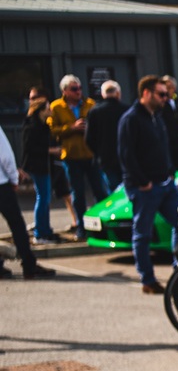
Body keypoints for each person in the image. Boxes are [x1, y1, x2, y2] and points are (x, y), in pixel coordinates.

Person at [118, 75, 178, 294]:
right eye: (161, 94)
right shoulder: (131, 119)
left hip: (166, 183)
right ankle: (147, 279)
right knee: (143, 234)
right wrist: (142, 182)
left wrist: (170, 174)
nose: (166, 98)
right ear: (146, 93)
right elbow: (126, 155)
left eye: (167, 94)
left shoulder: (158, 116)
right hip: (145, 188)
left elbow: (164, 148)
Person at [0, 115, 52, 278]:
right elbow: (5, 156)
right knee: (17, 225)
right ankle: (29, 264)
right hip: (1, 184)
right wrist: (14, 179)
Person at [48, 75, 107, 216]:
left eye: (80, 88)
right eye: (74, 89)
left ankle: (103, 223)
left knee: (100, 191)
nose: (78, 91)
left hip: (90, 154)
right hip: (71, 156)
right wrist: (72, 128)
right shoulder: (56, 107)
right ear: (65, 91)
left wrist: (89, 129)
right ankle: (81, 226)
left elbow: (100, 127)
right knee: (78, 193)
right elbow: (52, 130)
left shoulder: (90, 104)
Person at [22, 89, 71, 242]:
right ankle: (40, 233)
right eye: (48, 108)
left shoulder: (43, 125)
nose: (50, 110)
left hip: (44, 165)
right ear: (40, 111)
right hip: (38, 166)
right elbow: (30, 148)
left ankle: (45, 229)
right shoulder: (32, 126)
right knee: (43, 197)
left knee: (45, 197)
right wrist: (51, 150)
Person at [88, 80, 124, 194]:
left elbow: (89, 138)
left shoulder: (95, 111)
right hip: (124, 157)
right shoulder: (126, 110)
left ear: (103, 94)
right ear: (118, 93)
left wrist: (98, 152)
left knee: (112, 191)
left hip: (105, 158)